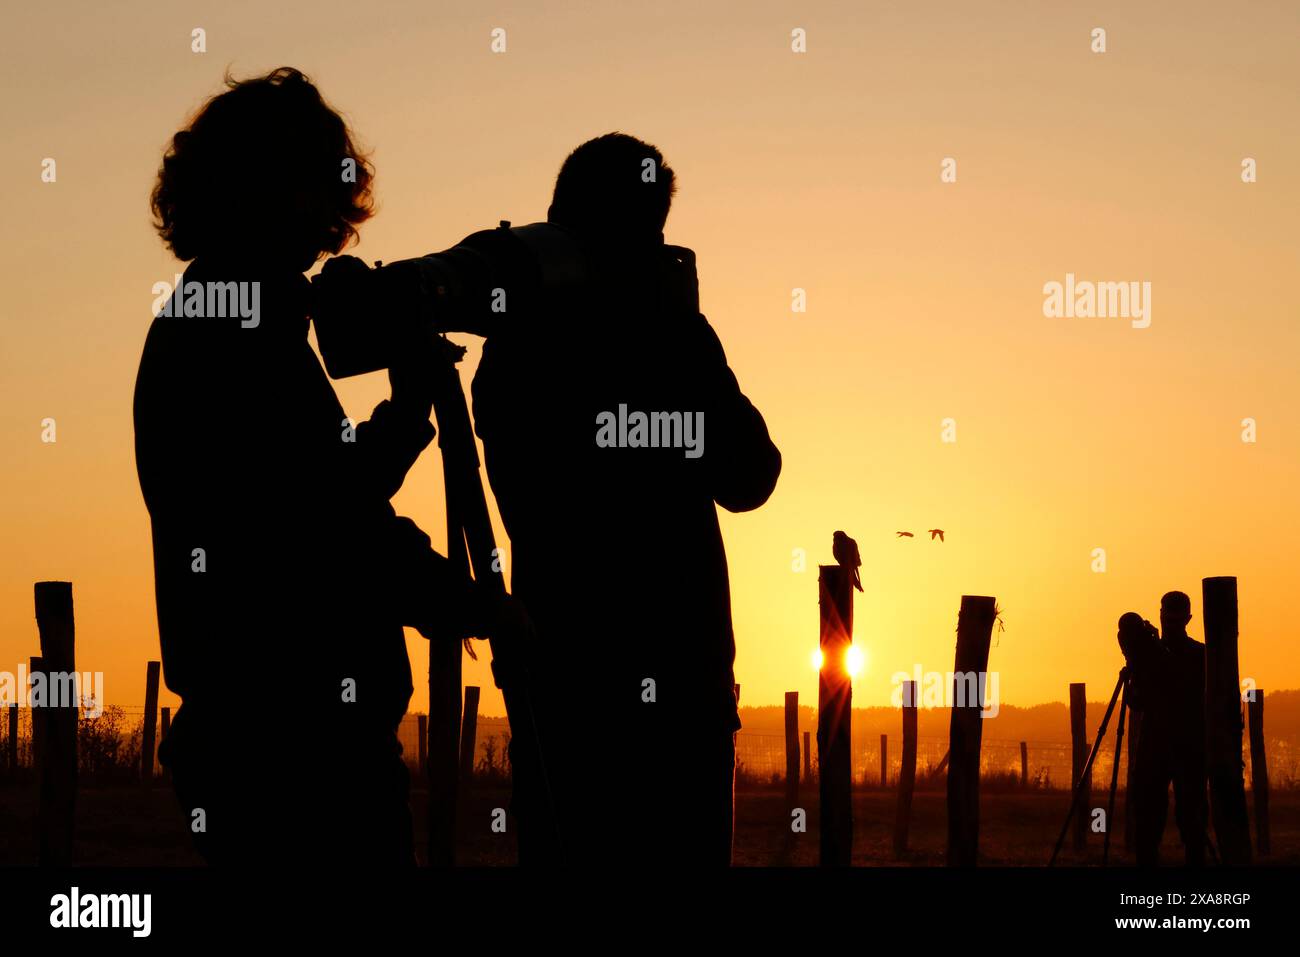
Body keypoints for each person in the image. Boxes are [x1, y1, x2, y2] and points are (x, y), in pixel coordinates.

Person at [134, 67, 510, 865]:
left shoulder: (227, 316)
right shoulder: (236, 327)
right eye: (312, 190)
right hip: (295, 754)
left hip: (269, 742)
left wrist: (407, 415)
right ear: (268, 190)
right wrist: (474, 606)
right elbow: (331, 526)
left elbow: (318, 492)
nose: (325, 227)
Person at [471, 133, 782, 864]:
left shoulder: (513, 348)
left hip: (582, 691)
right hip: (642, 694)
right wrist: (671, 342)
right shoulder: (659, 340)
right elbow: (749, 472)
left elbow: (750, 474)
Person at [1118, 592, 1208, 866]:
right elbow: (1137, 701)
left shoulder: (1197, 655)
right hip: (1171, 744)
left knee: (1186, 813)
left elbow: (1139, 702)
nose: (1168, 622)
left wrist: (1145, 663)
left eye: (1171, 618)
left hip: (1179, 744)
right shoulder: (1196, 654)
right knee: (1152, 811)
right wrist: (1135, 665)